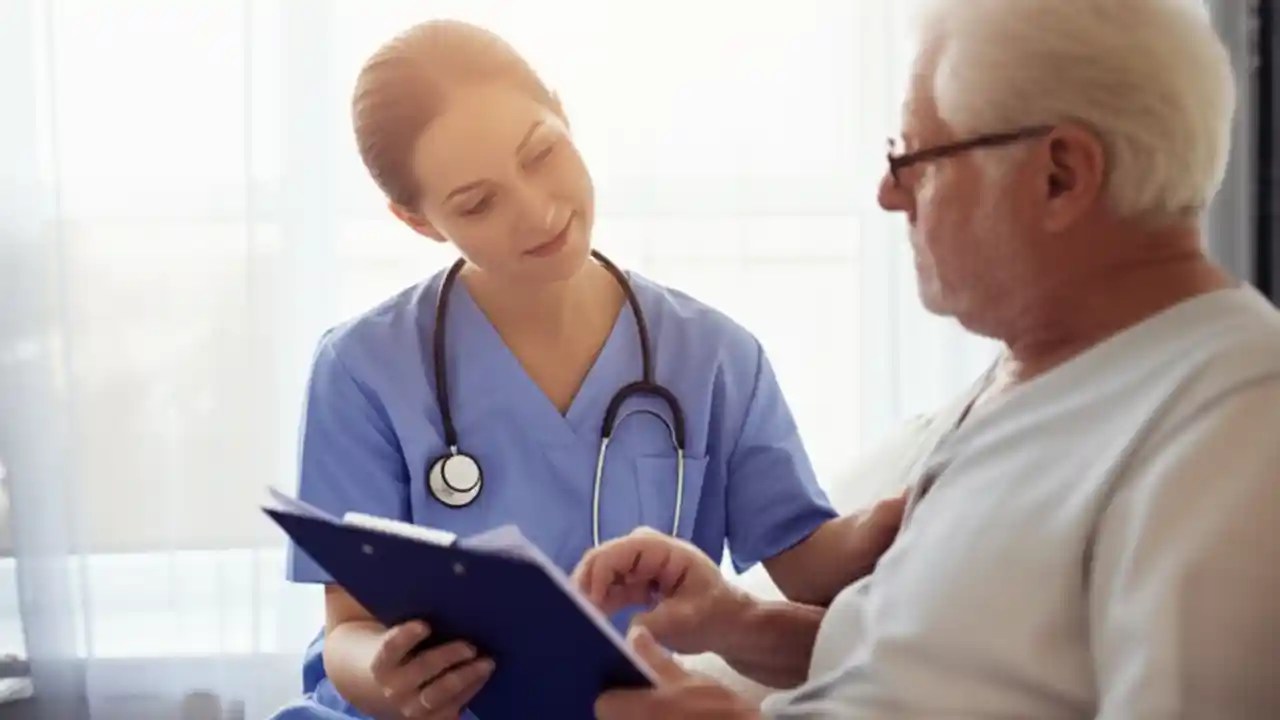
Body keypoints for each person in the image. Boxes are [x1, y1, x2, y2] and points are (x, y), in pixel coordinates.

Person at [579, 0, 1280, 717]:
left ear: (1061, 176)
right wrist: (734, 621)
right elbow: (925, 665)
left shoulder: (1235, 418)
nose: (889, 195)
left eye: (914, 157)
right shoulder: (1036, 375)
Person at [268, 19, 903, 720]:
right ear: (419, 222)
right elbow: (347, 631)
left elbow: (809, 564)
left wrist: (906, 515)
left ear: (563, 114)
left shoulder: (714, 357)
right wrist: (386, 676)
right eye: (478, 203)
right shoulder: (362, 368)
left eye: (541, 152)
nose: (537, 211)